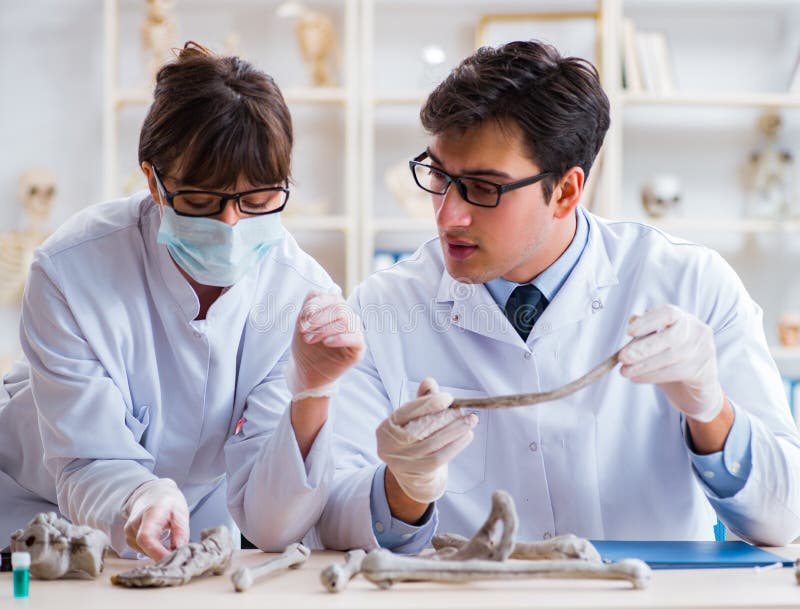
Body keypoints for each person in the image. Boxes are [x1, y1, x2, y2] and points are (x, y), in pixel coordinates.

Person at [316, 40, 800, 552]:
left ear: (567, 191)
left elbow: (784, 517)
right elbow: (330, 523)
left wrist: (711, 413)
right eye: (439, 176)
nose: (448, 215)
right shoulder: (384, 307)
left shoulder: (689, 282)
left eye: (483, 188)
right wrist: (405, 488)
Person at [0, 42, 363, 559]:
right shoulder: (71, 271)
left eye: (258, 202)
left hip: (197, 528)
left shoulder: (300, 296)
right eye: (200, 203)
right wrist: (141, 495)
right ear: (153, 180)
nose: (231, 226)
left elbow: (272, 524)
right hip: (35, 511)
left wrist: (311, 394)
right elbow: (84, 461)